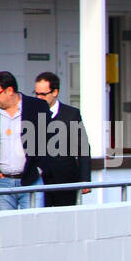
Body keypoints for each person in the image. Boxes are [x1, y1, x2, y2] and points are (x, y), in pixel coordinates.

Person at [0, 71, 49, 212]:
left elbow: (49, 138)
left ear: (9, 91)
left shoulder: (37, 107)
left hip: (31, 181)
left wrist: (39, 167)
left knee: (34, 227)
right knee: (5, 229)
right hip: (1, 183)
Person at [34, 72, 91, 207]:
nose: (39, 97)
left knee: (66, 220)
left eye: (43, 94)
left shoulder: (71, 114)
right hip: (40, 179)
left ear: (55, 92)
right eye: (36, 93)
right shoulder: (31, 113)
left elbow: (82, 147)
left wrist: (85, 180)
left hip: (66, 178)